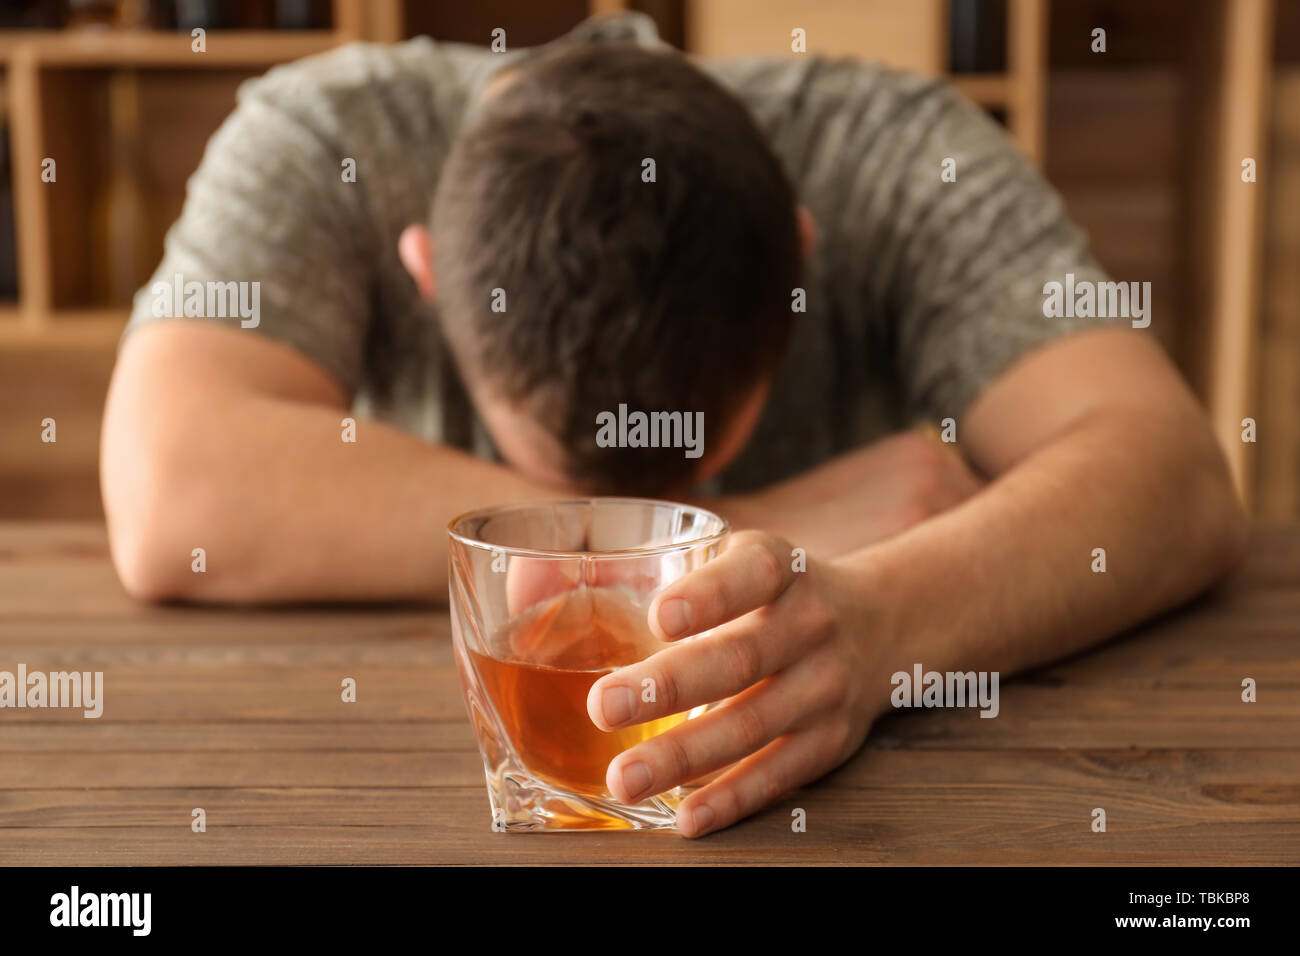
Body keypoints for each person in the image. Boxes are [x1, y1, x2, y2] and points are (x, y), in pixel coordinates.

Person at [100, 14, 1247, 837]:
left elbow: (1173, 469)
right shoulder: (323, 134)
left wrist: (883, 619)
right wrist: (746, 525)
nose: (600, 580)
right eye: (576, 506)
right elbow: (169, 492)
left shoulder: (900, 152)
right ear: (434, 278)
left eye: (682, 478)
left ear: (804, 253)